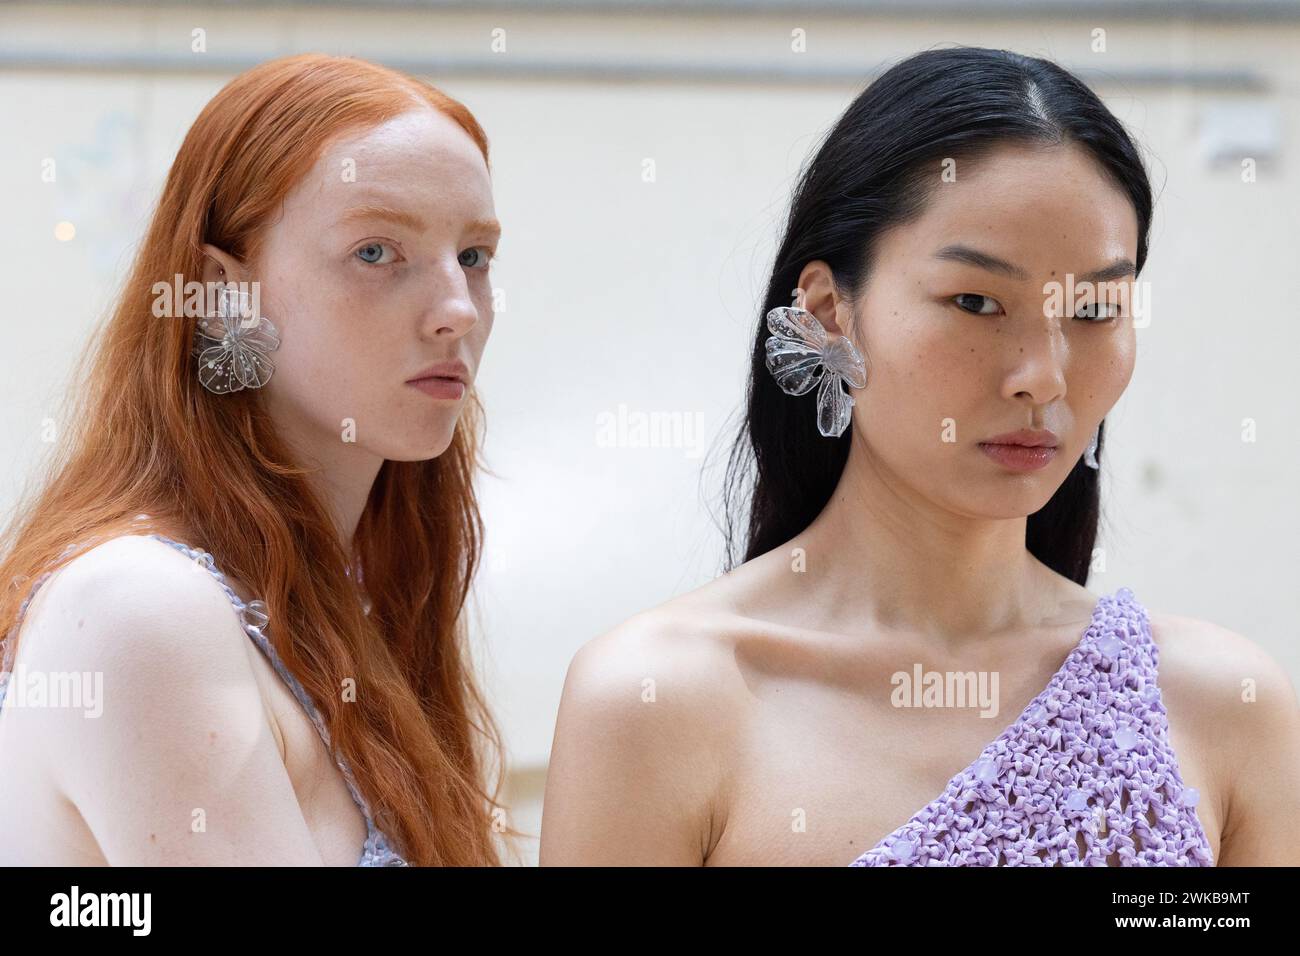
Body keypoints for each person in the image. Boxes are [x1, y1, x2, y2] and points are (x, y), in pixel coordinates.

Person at [540, 47, 1300, 866]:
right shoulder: (657, 702)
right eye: (975, 302)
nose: (1043, 375)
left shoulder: (1222, 704)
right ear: (831, 311)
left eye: (1094, 308)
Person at [0, 53, 509, 866]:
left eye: (475, 256)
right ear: (221, 291)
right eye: (376, 252)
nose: (457, 309)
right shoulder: (139, 607)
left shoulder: (349, 602)